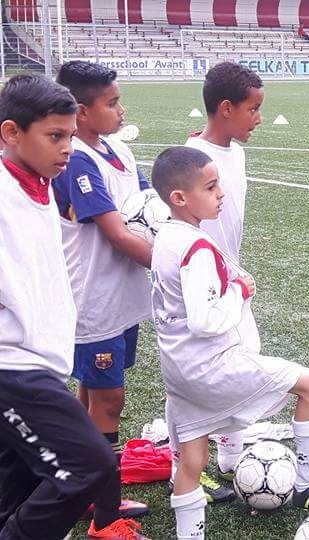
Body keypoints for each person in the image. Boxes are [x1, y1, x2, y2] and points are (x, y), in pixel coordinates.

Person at [150, 146, 309, 540]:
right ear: (179, 198)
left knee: (192, 460)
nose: (220, 193)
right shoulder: (197, 248)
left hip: (178, 373)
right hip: (210, 366)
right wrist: (239, 290)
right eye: (210, 187)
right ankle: (308, 484)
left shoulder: (166, 238)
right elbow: (206, 320)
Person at [0, 74, 139, 539]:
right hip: (12, 367)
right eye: (54, 136)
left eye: (70, 136)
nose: (66, 148)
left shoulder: (40, 185)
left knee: (17, 489)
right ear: (11, 133)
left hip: (43, 360)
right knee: (89, 466)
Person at [52, 60, 152, 532]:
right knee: (109, 399)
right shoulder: (76, 161)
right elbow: (115, 233)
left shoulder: (115, 149)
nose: (120, 109)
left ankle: (86, 486)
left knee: (93, 394)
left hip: (121, 299)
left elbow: (146, 201)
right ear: (81, 112)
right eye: (111, 103)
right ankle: (103, 511)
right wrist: (176, 265)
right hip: (94, 303)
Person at [178, 60, 265, 503]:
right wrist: (219, 272)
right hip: (204, 282)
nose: (259, 118)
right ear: (226, 108)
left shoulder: (237, 152)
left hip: (232, 276)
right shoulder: (194, 161)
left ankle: (230, 455)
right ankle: (186, 459)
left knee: (241, 364)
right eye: (253, 109)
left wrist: (235, 267)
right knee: (206, 374)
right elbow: (186, 230)